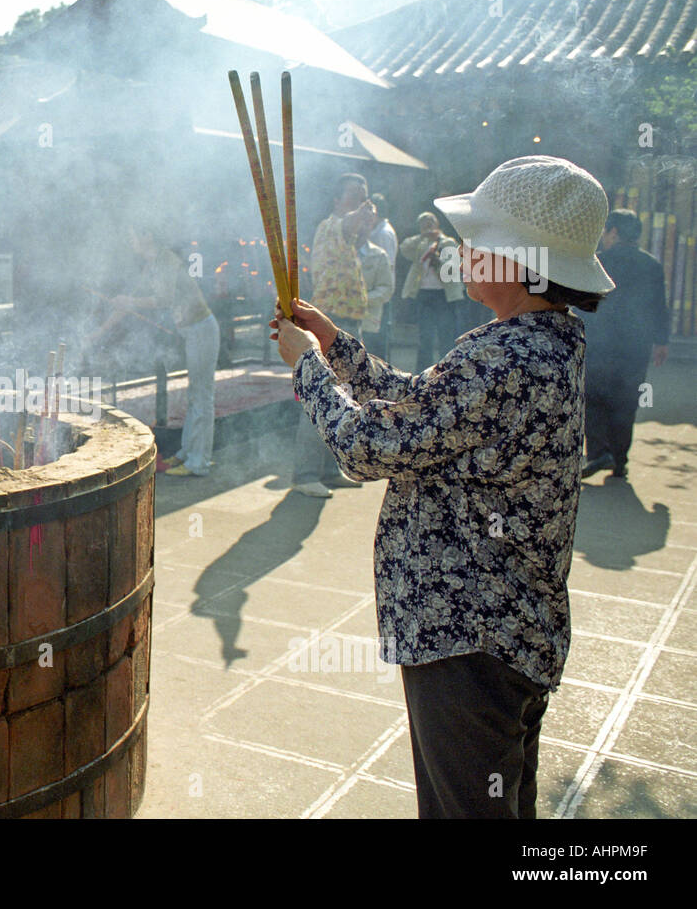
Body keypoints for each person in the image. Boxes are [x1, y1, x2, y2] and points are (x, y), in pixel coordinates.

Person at [272, 155, 615, 818]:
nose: (463, 251)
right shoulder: (544, 340)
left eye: (478, 240)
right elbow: (423, 404)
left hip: (469, 639)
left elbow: (368, 451)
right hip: (516, 628)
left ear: (516, 259)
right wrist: (335, 345)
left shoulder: (500, 360)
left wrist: (308, 372)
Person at [102, 224, 218, 477]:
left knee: (202, 397)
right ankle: (187, 453)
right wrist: (98, 332)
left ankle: (198, 462)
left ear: (147, 235)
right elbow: (128, 303)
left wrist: (128, 301)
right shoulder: (152, 264)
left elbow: (163, 300)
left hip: (201, 328)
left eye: (133, 234)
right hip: (192, 331)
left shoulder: (166, 259)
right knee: (194, 395)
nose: (130, 240)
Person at [292, 171, 377, 498]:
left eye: (364, 197)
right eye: (355, 197)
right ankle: (306, 473)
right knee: (321, 395)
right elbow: (347, 224)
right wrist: (360, 214)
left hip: (344, 323)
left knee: (340, 398)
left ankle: (327, 469)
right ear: (338, 201)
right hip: (330, 321)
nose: (361, 205)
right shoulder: (331, 226)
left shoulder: (352, 240)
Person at [581, 209, 670, 480]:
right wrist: (661, 342)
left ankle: (598, 452)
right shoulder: (652, 265)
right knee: (626, 401)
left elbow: (585, 303)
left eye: (606, 231)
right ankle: (620, 459)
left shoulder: (598, 261)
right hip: (636, 346)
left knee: (593, 398)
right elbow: (659, 307)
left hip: (600, 344)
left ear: (614, 232)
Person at [399, 212, 465, 373]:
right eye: (423, 223)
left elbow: (452, 268)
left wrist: (437, 261)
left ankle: (447, 370)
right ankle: (423, 371)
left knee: (445, 334)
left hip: (443, 295)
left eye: (430, 222)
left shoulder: (448, 242)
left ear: (437, 224)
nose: (427, 226)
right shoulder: (419, 243)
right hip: (424, 293)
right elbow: (404, 249)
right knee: (425, 336)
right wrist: (422, 236)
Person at [355, 210, 395, 360]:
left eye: (367, 223)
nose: (363, 228)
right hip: (343, 320)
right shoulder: (342, 252)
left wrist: (363, 298)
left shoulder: (379, 255)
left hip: (369, 320)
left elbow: (386, 289)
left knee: (373, 362)